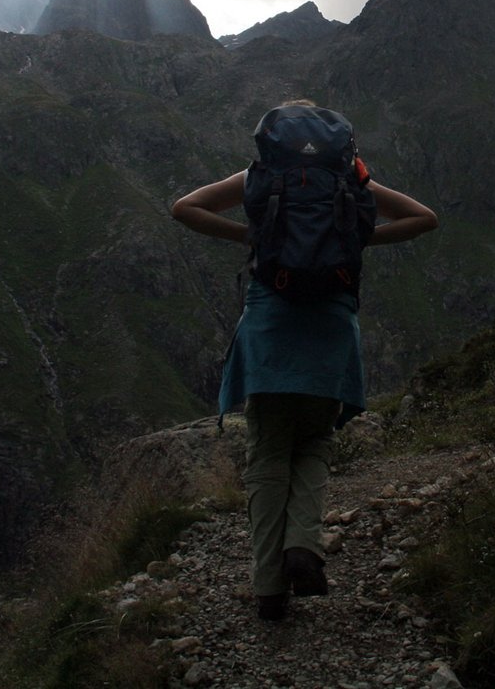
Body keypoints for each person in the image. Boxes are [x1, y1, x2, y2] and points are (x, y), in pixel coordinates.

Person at [171, 104, 438, 622]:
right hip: (332, 324)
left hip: (272, 319)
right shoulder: (349, 178)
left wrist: (253, 236)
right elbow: (424, 219)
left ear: (276, 139)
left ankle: (268, 585)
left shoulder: (259, 176)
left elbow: (184, 208)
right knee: (314, 442)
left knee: (268, 450)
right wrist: (360, 240)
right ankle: (304, 546)